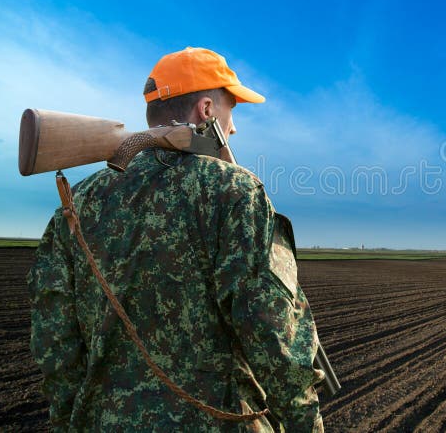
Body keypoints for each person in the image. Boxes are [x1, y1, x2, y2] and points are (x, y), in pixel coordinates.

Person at [28, 47, 324, 432]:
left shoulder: (77, 202)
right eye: (231, 108)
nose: (233, 127)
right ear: (206, 110)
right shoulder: (236, 192)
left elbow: (55, 342)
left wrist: (72, 421)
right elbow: (275, 339)